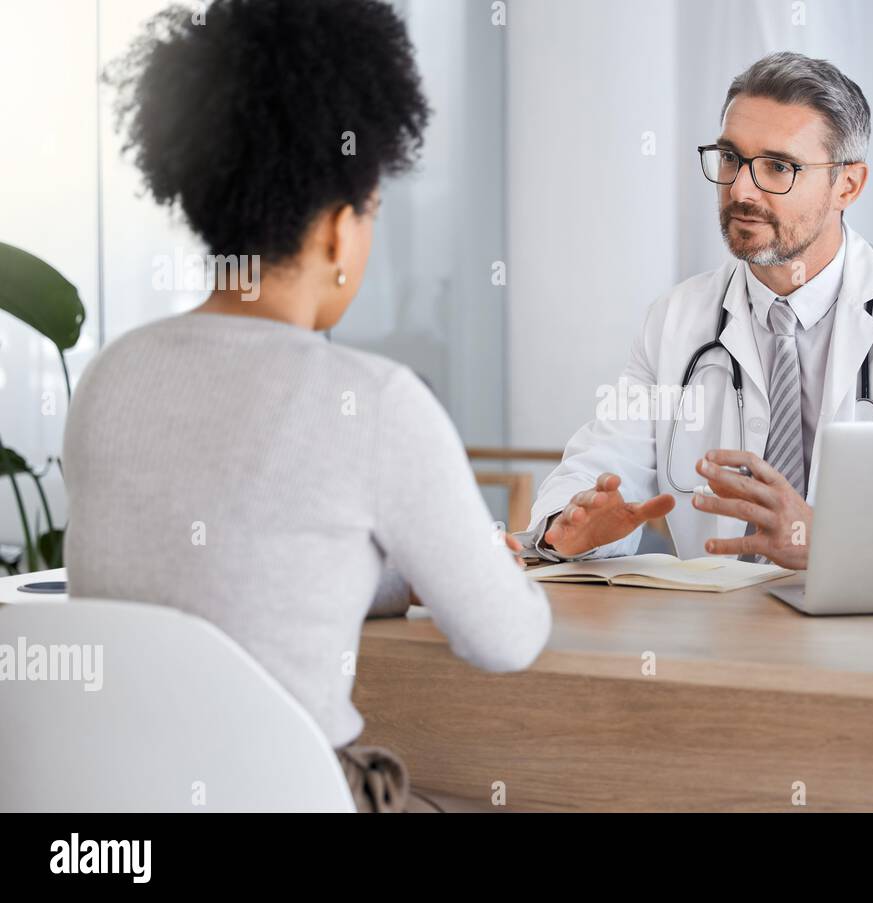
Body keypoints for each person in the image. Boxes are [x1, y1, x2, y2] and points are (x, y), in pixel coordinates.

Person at [62, 0, 550, 813]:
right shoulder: (373, 400)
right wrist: (489, 566)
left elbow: (247, 559)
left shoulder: (112, 378)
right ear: (336, 230)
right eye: (372, 215)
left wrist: (407, 575)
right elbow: (506, 639)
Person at [525, 51, 873, 571]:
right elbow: (599, 470)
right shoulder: (675, 321)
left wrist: (826, 543)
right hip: (722, 637)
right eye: (731, 158)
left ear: (847, 185)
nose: (739, 189)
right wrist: (569, 530)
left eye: (778, 166)